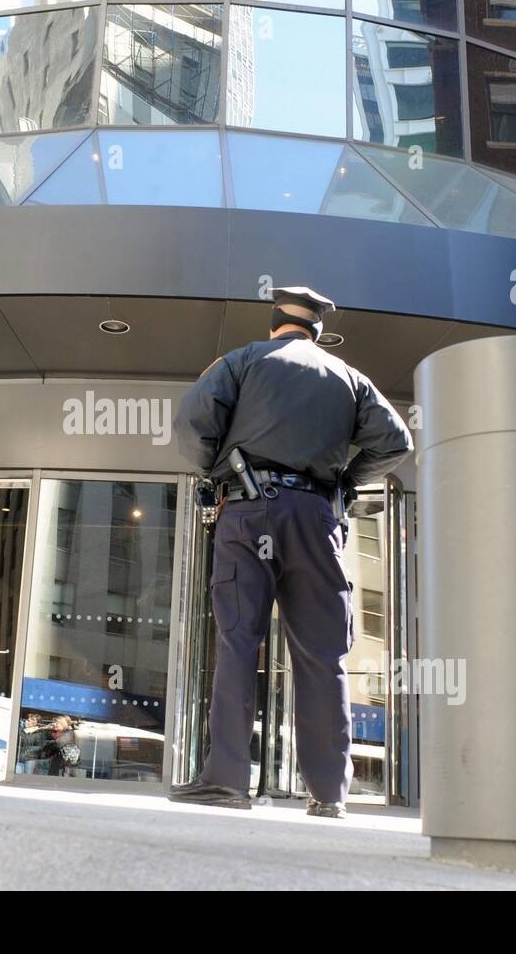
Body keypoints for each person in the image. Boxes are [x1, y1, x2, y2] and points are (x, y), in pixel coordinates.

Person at [168, 287, 412, 817]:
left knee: (238, 642)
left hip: (248, 511)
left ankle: (228, 781)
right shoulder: (350, 378)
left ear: (275, 320)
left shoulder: (243, 360)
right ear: (316, 329)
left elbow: (191, 424)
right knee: (324, 655)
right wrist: (345, 487)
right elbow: (396, 443)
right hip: (316, 520)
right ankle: (328, 794)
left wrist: (220, 470)